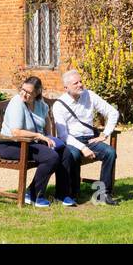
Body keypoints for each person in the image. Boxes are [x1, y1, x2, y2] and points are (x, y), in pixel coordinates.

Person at [0, 76, 70, 208]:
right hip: (11, 144)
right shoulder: (17, 102)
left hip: (31, 143)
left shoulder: (39, 103)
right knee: (51, 157)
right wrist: (40, 136)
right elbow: (16, 132)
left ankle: (62, 194)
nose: (24, 94)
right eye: (23, 90)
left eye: (28, 92)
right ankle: (32, 194)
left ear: (37, 93)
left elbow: (46, 118)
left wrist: (49, 136)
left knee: (64, 151)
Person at [51, 69, 121, 205]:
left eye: (81, 81)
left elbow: (113, 112)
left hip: (90, 139)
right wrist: (83, 148)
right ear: (66, 88)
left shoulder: (90, 95)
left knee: (110, 153)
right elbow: (63, 135)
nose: (80, 85)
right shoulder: (59, 105)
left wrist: (105, 133)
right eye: (75, 83)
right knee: (74, 155)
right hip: (71, 141)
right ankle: (73, 192)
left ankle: (103, 194)